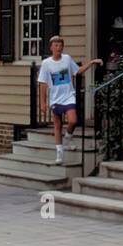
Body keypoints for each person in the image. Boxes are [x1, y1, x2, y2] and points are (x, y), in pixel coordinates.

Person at [38, 36, 103, 164]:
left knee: (73, 120)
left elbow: (77, 71)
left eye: (60, 45)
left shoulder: (67, 59)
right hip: (55, 98)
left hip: (68, 96)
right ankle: (60, 153)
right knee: (58, 126)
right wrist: (42, 102)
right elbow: (42, 83)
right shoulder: (46, 63)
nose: (58, 48)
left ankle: (68, 135)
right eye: (56, 45)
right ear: (51, 48)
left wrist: (91, 62)